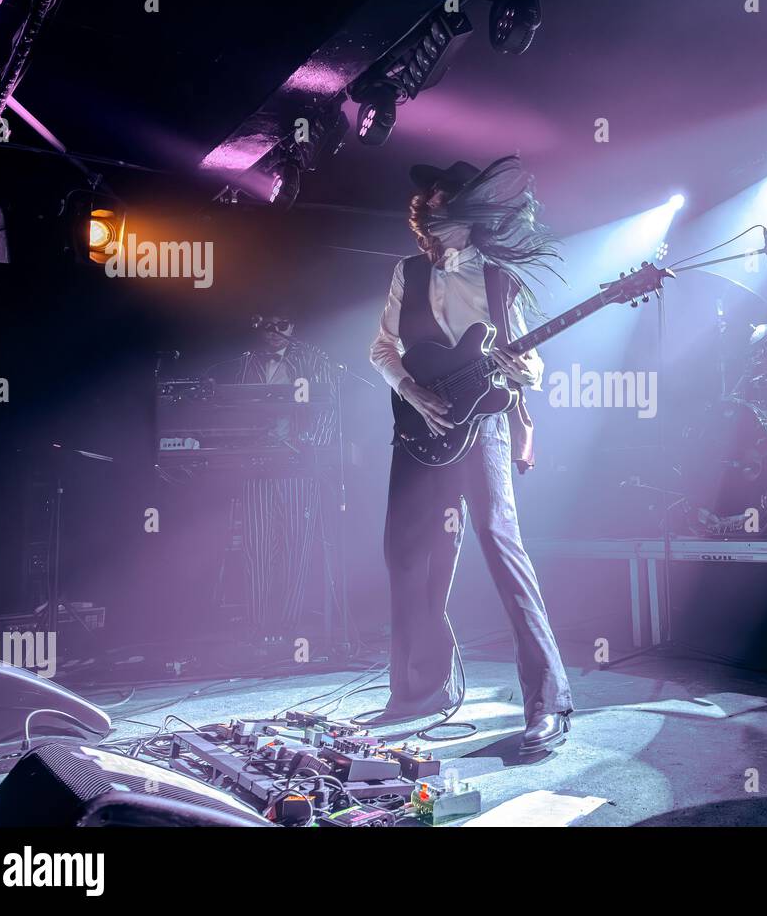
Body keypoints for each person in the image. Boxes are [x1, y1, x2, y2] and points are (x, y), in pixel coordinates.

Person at [368, 155, 573, 757]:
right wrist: (411, 391)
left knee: (498, 543)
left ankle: (549, 703)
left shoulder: (498, 278)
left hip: (484, 426)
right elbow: (382, 347)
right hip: (420, 425)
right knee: (404, 554)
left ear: (468, 214)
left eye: (441, 208)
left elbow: (528, 364)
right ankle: (417, 691)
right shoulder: (406, 271)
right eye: (426, 211)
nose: (431, 220)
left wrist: (524, 368)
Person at [233, 311, 336, 629]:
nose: (275, 331)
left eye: (283, 324)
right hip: (257, 466)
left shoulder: (313, 360)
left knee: (297, 545)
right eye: (268, 324)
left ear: (294, 326)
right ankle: (259, 628)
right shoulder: (246, 362)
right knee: (257, 547)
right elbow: (230, 410)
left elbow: (328, 408)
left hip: (298, 468)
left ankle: (290, 627)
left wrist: (311, 449)